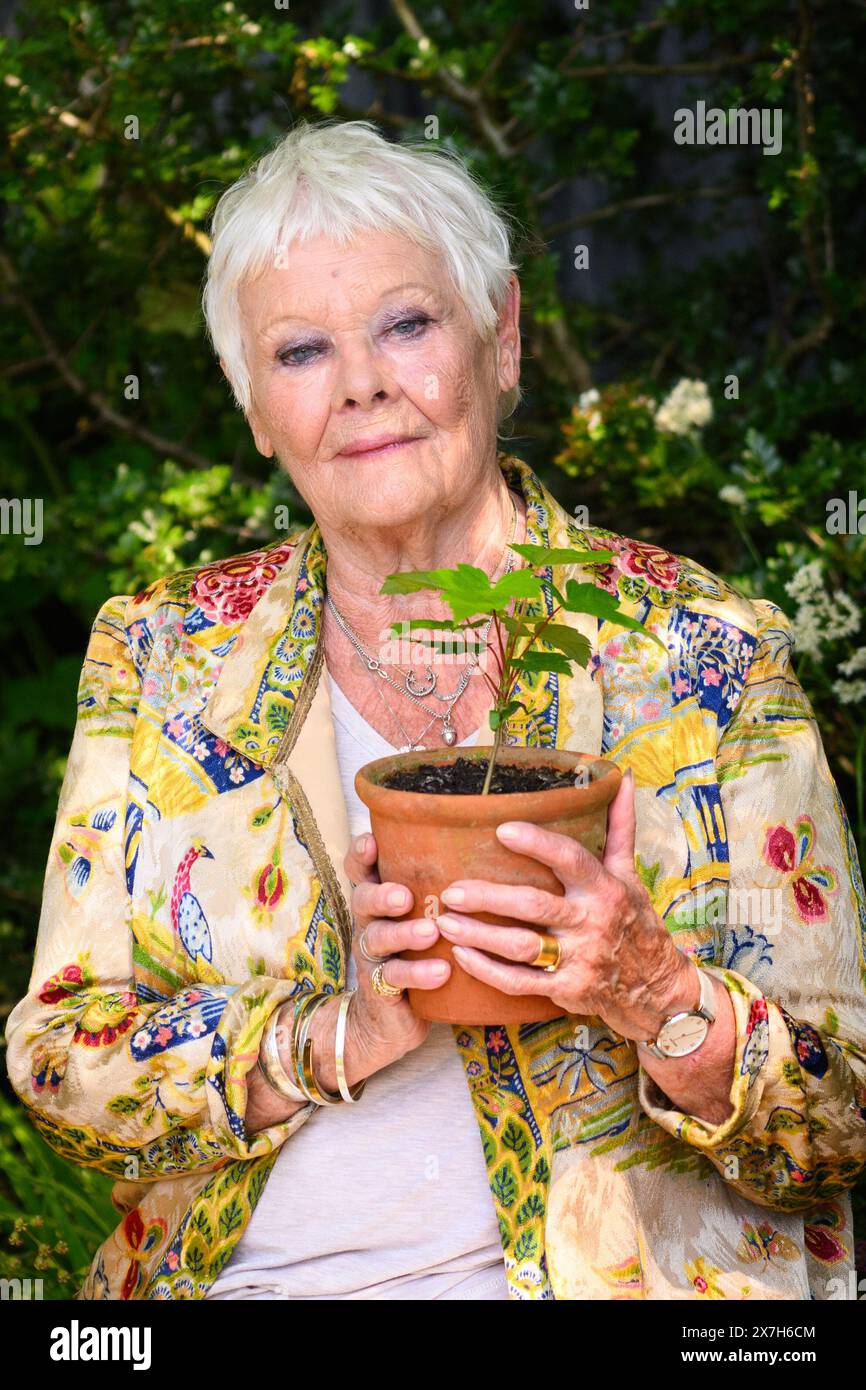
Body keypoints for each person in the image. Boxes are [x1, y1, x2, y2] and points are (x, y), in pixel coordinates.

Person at [6, 119, 866, 1302]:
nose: (361, 383)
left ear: (500, 335)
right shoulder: (163, 659)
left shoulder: (701, 654)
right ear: (254, 407)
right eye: (300, 351)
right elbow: (59, 1066)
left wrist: (654, 993)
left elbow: (839, 1126)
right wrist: (321, 1035)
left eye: (406, 324)